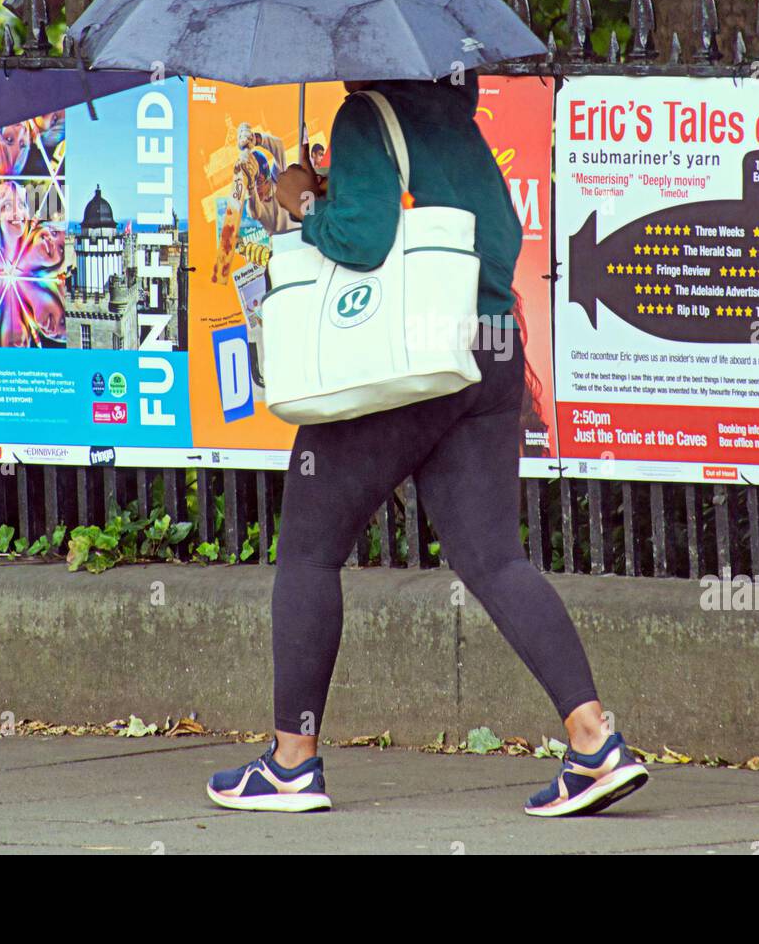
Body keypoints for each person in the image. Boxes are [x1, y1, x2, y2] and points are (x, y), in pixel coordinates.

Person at [206, 76, 648, 818]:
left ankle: (291, 760)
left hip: (407, 363)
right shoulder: (456, 124)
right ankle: (594, 739)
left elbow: (365, 237)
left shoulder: (364, 115)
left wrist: (305, 200)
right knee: (495, 557)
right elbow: (500, 235)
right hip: (491, 352)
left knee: (309, 550)